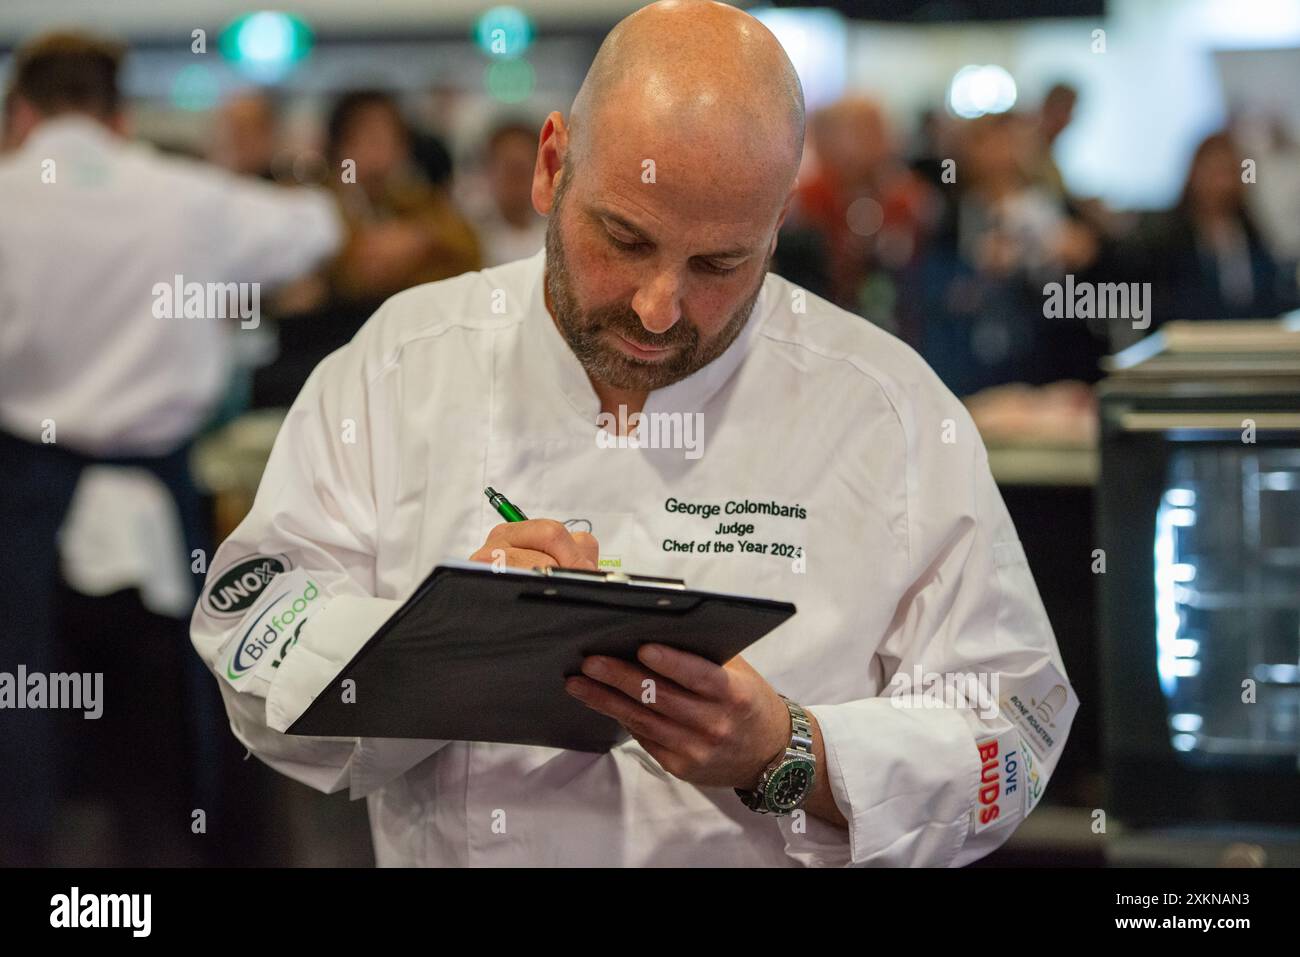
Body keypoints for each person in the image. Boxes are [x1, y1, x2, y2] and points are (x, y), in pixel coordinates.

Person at [191, 0, 1076, 867]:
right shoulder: (404, 363)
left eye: (718, 265)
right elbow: (251, 632)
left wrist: (794, 753)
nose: (659, 308)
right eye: (623, 238)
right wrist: (443, 637)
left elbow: (1017, 732)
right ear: (550, 168)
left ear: (775, 231)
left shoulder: (888, 409)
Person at [0, 30, 343, 864]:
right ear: (119, 115)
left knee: (25, 723)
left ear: (20, 112)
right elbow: (318, 229)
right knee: (163, 743)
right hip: (159, 505)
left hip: (24, 502)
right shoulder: (184, 195)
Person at [470, 120, 548, 266]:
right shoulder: (467, 235)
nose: (517, 181)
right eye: (509, 171)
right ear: (489, 171)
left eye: (523, 171)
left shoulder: (559, 235)